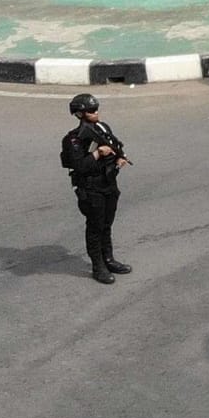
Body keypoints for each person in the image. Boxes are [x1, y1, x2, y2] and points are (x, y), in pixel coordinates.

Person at [66, 94, 132, 284]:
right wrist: (97, 153)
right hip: (91, 189)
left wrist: (119, 159)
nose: (96, 113)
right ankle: (98, 266)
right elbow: (79, 166)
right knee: (95, 227)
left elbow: (115, 147)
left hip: (108, 184)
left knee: (107, 224)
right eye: (91, 111)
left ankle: (109, 259)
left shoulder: (103, 128)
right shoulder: (74, 140)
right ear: (80, 114)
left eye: (96, 109)